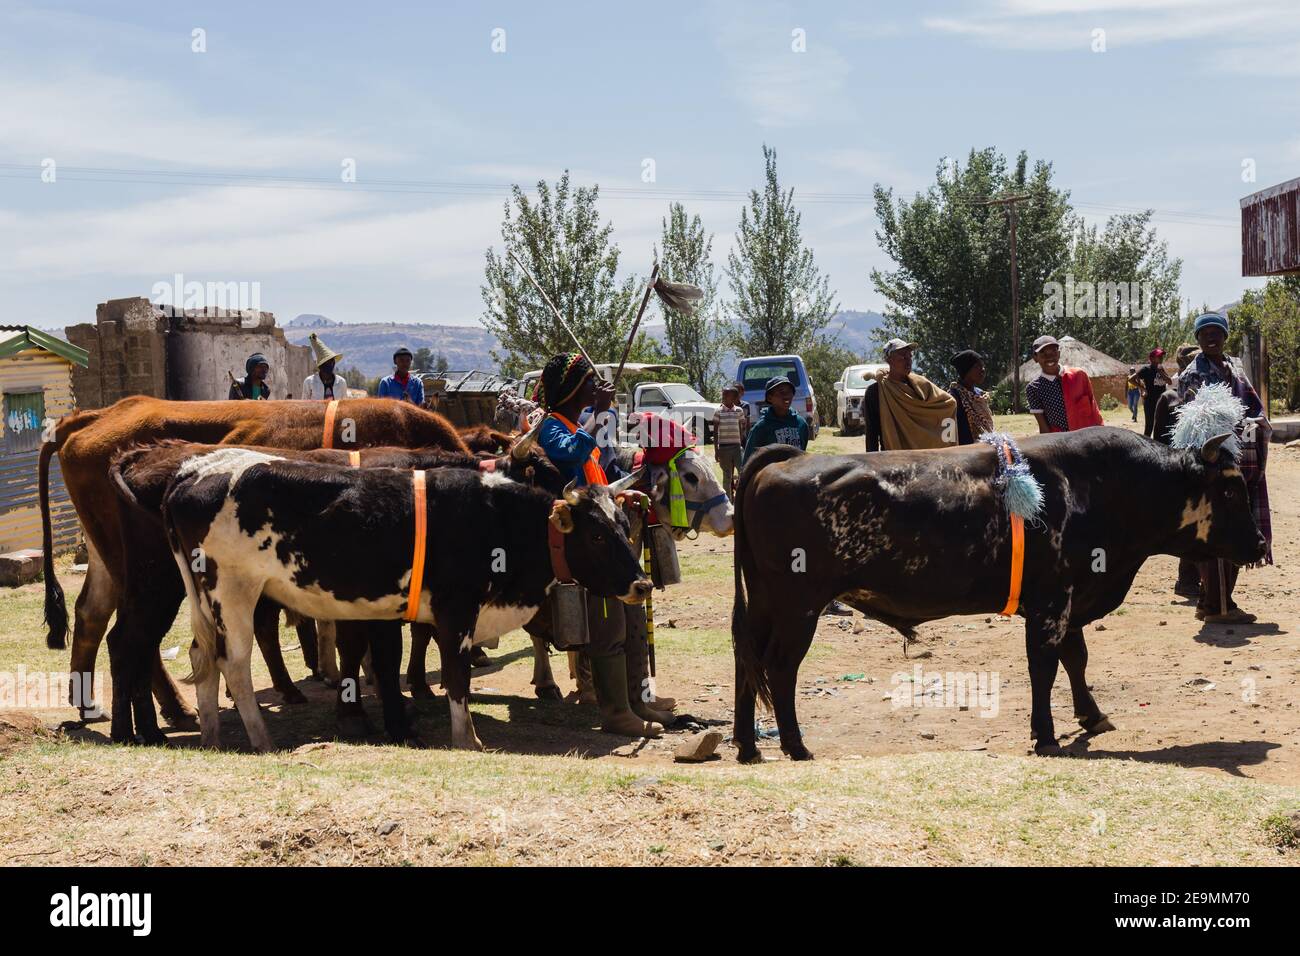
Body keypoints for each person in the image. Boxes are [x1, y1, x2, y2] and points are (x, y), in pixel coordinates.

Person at [534, 352, 666, 737]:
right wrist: (600, 413)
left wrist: (623, 493)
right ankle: (615, 713)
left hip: (601, 530)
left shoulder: (574, 423)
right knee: (607, 622)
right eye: (589, 383)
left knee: (631, 618)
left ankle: (635, 700)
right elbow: (569, 453)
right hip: (581, 545)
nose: (596, 388)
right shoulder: (551, 427)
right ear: (574, 389)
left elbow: (596, 476)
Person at [1177, 313, 1272, 624]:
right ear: (1199, 339)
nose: (1211, 338)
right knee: (1218, 529)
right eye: (1205, 334)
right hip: (1212, 467)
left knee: (1236, 526)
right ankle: (1219, 603)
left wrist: (1253, 423)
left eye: (1217, 332)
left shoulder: (1235, 367)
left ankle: (1211, 600)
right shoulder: (1194, 374)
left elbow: (1254, 407)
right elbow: (1196, 421)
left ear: (1225, 336)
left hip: (1242, 460)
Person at [1151, 344, 1202, 598]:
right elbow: (1157, 440)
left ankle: (1196, 580)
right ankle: (1187, 580)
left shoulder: (1206, 398)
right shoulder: (1169, 398)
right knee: (1189, 525)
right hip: (1178, 471)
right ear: (1181, 366)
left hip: (1202, 469)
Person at [863, 339, 957, 451]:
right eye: (902, 357)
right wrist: (872, 462)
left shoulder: (922, 386)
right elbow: (872, 434)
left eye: (910, 356)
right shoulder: (875, 392)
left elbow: (949, 403)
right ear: (888, 360)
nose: (908, 361)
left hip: (924, 457)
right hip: (893, 457)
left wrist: (946, 442)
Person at [1024, 335, 1103, 434]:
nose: (1050, 357)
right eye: (1043, 353)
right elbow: (1044, 428)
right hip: (1061, 444)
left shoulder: (1079, 375)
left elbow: (1094, 411)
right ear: (1035, 358)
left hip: (1087, 440)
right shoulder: (1034, 388)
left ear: (1059, 354)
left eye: (1053, 351)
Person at [742, 376, 809, 464]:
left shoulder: (801, 424)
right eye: (782, 392)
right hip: (772, 476)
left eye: (789, 392)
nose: (786, 395)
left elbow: (802, 452)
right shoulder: (761, 427)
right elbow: (748, 460)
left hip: (796, 474)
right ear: (770, 398)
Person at [947, 350, 993, 445]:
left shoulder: (979, 394)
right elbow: (948, 436)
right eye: (977, 366)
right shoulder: (953, 398)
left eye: (983, 366)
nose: (983, 369)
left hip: (986, 448)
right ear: (966, 371)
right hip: (964, 453)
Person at [711, 382, 749, 498]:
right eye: (723, 396)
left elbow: (742, 426)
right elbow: (716, 432)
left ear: (734, 398)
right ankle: (728, 499)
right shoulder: (718, 412)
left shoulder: (739, 411)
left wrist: (741, 437)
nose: (723, 398)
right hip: (724, 448)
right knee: (727, 475)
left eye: (725, 396)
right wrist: (717, 450)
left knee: (743, 471)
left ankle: (742, 497)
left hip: (737, 447)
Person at [1135, 347, 1171, 437]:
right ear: (1151, 358)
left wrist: (1159, 370)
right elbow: (1131, 379)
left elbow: (1169, 381)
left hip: (1161, 401)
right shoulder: (1146, 369)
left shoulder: (1161, 369)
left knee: (1161, 424)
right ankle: (1145, 445)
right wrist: (1143, 389)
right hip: (1150, 401)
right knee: (1149, 425)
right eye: (1159, 356)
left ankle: (1157, 444)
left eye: (1161, 356)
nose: (1161, 358)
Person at [302, 333, 348, 400]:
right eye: (327, 362)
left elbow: (344, 404)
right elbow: (304, 404)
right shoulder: (309, 382)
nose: (331, 364)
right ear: (320, 366)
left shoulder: (341, 382)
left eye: (332, 361)